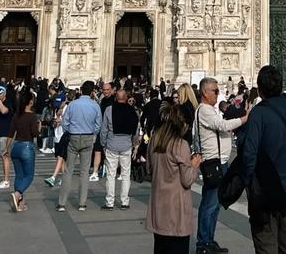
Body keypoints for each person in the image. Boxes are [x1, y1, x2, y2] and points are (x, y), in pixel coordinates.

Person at [242, 65, 286, 254]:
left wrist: (248, 183)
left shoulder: (258, 113)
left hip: (263, 188)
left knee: (265, 241)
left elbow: (249, 153)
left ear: (260, 89)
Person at [194, 77, 247, 254]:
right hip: (213, 163)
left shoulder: (209, 109)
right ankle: (203, 243)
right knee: (210, 204)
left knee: (214, 204)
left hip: (219, 162)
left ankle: (208, 239)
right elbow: (222, 125)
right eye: (215, 91)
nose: (218, 94)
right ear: (204, 92)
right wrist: (244, 119)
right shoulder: (205, 111)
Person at [146, 103, 202, 254]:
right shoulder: (180, 145)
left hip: (158, 207)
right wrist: (194, 165)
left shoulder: (155, 141)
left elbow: (149, 169)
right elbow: (187, 180)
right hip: (176, 211)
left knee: (160, 248)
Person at [58, 80, 101, 212]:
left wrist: (70, 131)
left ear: (81, 90)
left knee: (68, 171)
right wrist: (93, 135)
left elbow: (65, 122)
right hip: (88, 137)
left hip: (74, 137)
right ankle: (82, 203)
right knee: (84, 172)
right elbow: (98, 125)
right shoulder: (95, 106)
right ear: (93, 92)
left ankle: (62, 203)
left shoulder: (73, 105)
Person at [101, 88, 140, 210]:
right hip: (126, 145)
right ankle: (124, 201)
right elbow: (136, 130)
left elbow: (104, 130)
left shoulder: (109, 110)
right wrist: (134, 145)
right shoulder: (132, 111)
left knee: (111, 175)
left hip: (112, 145)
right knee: (125, 174)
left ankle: (109, 202)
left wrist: (103, 144)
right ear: (126, 98)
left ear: (115, 98)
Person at [5, 88, 40, 213]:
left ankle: (19, 204)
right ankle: (17, 193)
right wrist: (39, 126)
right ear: (30, 102)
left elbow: (10, 134)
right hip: (27, 147)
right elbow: (35, 134)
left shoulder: (16, 115)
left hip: (16, 147)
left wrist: (6, 149)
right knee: (29, 176)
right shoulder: (32, 116)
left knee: (19, 175)